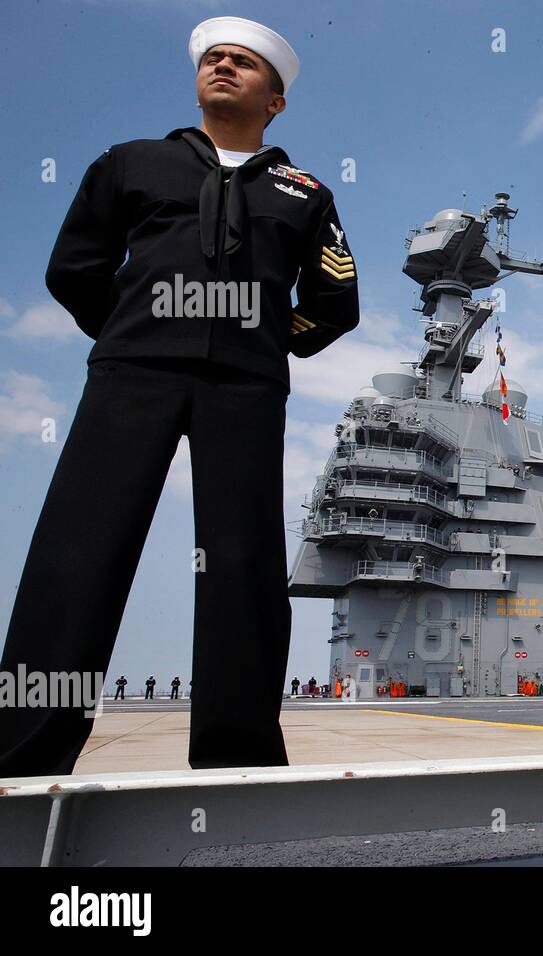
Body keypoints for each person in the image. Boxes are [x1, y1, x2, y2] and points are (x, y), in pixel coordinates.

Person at [0, 17, 359, 777]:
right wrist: (133, 330)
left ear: (276, 100)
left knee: (243, 562)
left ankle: (239, 758)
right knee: (78, 548)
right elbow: (75, 266)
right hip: (133, 371)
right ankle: (22, 751)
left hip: (246, 386)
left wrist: (264, 340)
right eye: (214, 58)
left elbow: (334, 302)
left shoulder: (306, 192)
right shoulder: (130, 163)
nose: (223, 66)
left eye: (243, 62)